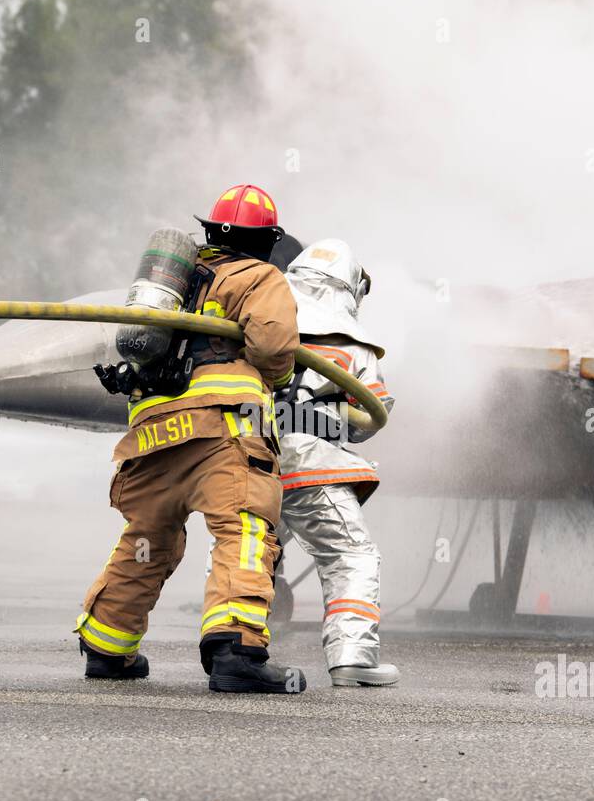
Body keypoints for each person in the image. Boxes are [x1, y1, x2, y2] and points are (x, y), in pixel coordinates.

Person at [76, 184, 307, 694]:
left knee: (148, 540)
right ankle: (235, 652)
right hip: (220, 431)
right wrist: (280, 374)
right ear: (268, 241)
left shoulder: (176, 285)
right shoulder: (259, 275)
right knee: (243, 530)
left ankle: (108, 650)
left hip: (152, 436)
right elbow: (272, 345)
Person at [275, 239, 399, 686]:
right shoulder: (355, 348)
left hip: (252, 461)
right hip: (315, 470)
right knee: (351, 557)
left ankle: (242, 646)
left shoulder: (257, 329)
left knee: (251, 550)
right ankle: (353, 659)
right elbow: (370, 419)